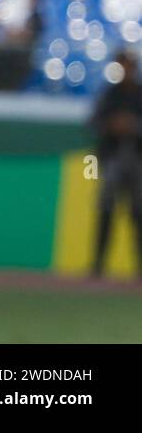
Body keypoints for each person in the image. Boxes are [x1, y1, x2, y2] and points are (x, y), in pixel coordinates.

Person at [89, 51, 142, 278]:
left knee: (138, 214)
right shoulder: (110, 94)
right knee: (106, 210)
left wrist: (133, 126)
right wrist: (112, 125)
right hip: (112, 158)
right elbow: (93, 122)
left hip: (138, 158)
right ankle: (98, 266)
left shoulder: (139, 95)